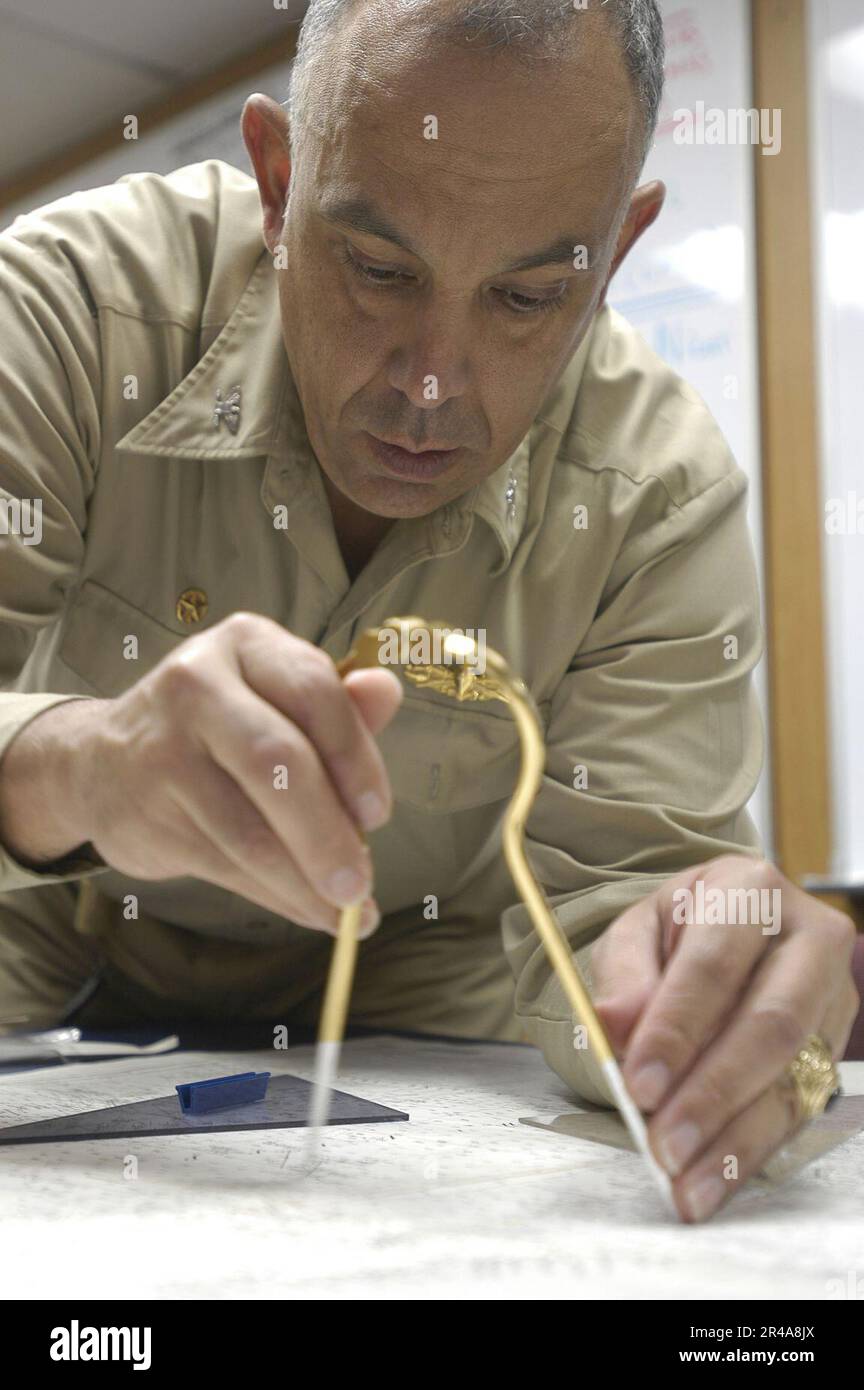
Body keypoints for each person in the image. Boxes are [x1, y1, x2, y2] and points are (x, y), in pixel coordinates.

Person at [0, 0, 856, 1222]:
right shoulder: (71, 311)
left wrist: (692, 984)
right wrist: (76, 769)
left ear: (616, 255)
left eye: (526, 299)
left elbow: (618, 917)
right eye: (379, 269)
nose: (430, 385)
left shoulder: (658, 497)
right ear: (279, 182)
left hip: (420, 979)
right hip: (42, 925)